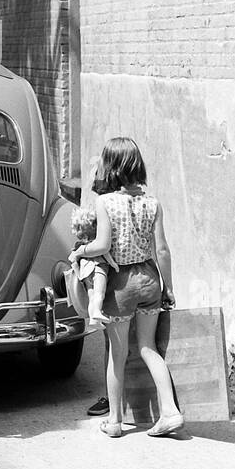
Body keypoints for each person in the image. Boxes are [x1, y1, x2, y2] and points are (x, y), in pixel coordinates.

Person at [70, 137, 184, 439]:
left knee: (118, 356)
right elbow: (162, 250)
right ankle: (170, 412)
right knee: (149, 348)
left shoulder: (105, 202)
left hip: (121, 284)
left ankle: (115, 420)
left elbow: (103, 245)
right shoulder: (153, 202)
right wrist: (168, 286)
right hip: (150, 280)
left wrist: (81, 252)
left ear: (111, 167)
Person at [69, 205, 116, 326]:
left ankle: (93, 320)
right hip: (98, 267)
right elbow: (105, 252)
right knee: (100, 292)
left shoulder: (78, 245)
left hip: (85, 272)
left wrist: (79, 274)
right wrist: (114, 264)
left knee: (91, 295)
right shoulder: (97, 242)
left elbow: (73, 260)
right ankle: (97, 312)